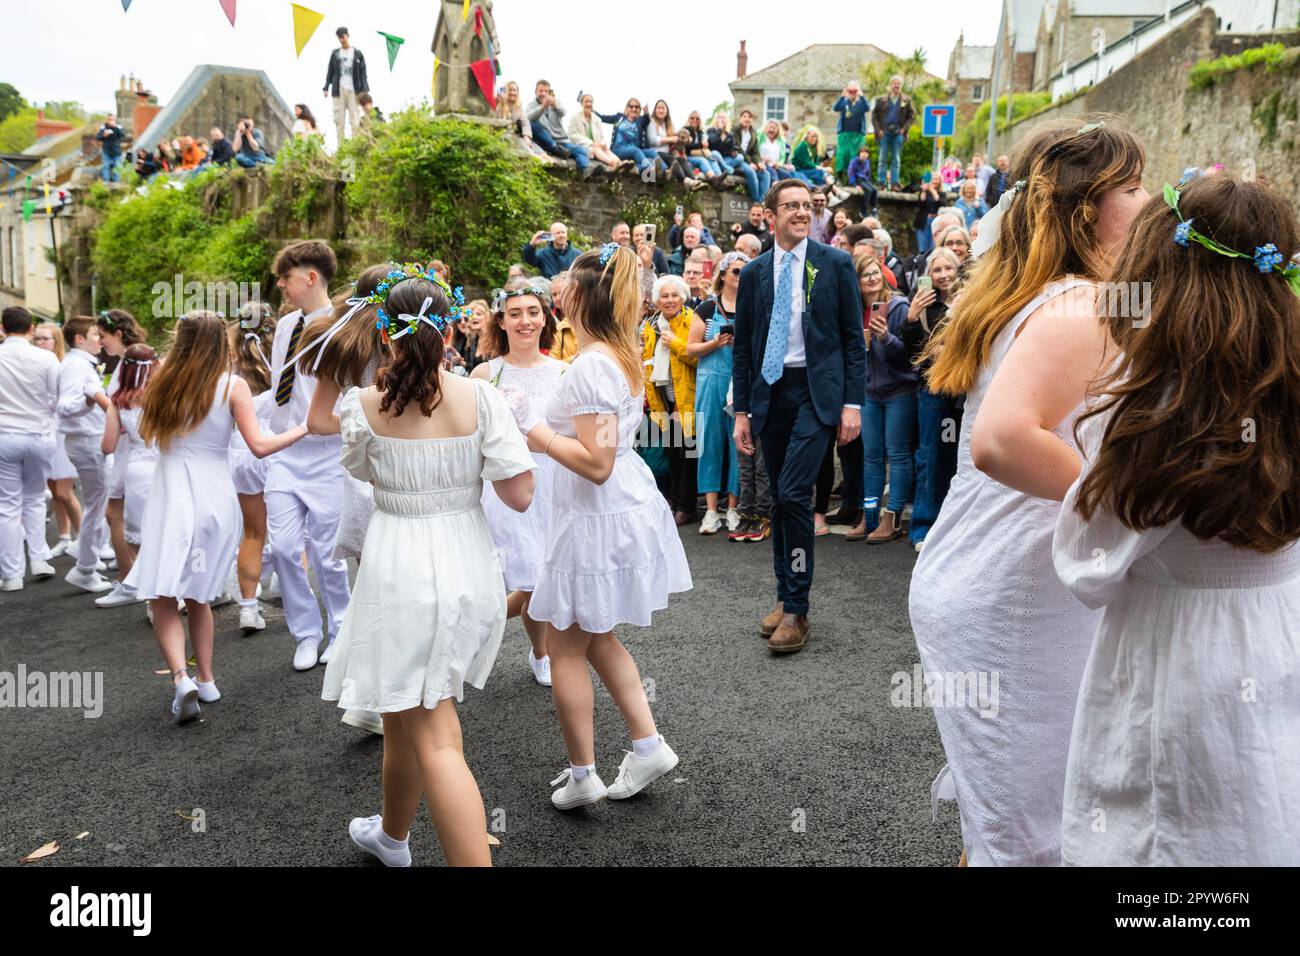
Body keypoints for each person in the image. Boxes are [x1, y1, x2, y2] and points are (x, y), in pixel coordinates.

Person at [909, 119, 1148, 867]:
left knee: (1005, 825)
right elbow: (1005, 441)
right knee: (1033, 838)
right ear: (1087, 207)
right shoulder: (1078, 306)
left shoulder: (1038, 293)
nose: (1151, 200)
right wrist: (1142, 505)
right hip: (1022, 595)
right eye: (1134, 186)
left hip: (988, 576)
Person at [1054, 172, 1300, 866]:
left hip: (1185, 654)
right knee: (1269, 807)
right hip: (1283, 629)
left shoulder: (1149, 411)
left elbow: (1086, 566)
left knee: (1172, 831)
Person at [320, 270, 534, 866]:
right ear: (450, 334)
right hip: (466, 563)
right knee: (400, 710)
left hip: (398, 567)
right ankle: (391, 837)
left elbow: (363, 474)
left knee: (436, 736)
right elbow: (520, 495)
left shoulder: (362, 406)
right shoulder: (482, 397)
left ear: (385, 334)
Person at [507, 243, 690, 809]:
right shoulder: (616, 350)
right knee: (597, 636)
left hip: (596, 511)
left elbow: (596, 460)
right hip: (609, 506)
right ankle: (646, 743)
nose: (555, 295)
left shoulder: (591, 364)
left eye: (563, 287)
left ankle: (584, 774)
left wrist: (531, 426)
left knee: (564, 645)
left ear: (583, 297)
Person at [129, 312, 307, 723]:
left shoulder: (161, 381)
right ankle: (207, 679)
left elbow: (145, 435)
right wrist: (303, 430)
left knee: (162, 594)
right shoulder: (233, 386)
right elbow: (260, 446)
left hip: (171, 491)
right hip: (214, 495)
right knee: (199, 595)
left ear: (180, 341)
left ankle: (180, 677)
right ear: (219, 343)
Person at [732, 180, 866, 654]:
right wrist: (742, 410)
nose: (800, 213)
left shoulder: (835, 263)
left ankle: (797, 608)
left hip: (817, 392)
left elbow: (853, 339)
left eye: (806, 207)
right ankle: (784, 593)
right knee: (779, 503)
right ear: (770, 216)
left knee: (791, 492)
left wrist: (853, 404)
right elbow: (744, 348)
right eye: (790, 206)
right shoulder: (752, 273)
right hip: (770, 393)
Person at [472, 279, 566, 686]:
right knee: (526, 577)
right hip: (508, 488)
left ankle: (542, 652)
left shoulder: (565, 371)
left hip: (557, 483)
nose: (525, 321)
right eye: (515, 314)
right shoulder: (485, 374)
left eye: (533, 312)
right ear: (502, 321)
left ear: (545, 318)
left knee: (548, 577)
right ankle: (526, 644)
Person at [266, 240, 352, 671]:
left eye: (287, 277)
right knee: (282, 547)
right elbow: (280, 391)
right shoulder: (285, 326)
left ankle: (340, 629)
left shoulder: (341, 327)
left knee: (327, 553)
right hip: (285, 449)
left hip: (326, 452)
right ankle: (305, 632)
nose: (281, 284)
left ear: (311, 277)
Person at [845, 254, 916, 543]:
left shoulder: (898, 306)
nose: (872, 278)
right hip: (868, 393)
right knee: (871, 457)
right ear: (857, 282)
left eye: (876, 272)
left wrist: (885, 337)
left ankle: (893, 517)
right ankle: (870, 516)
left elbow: (909, 355)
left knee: (897, 454)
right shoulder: (852, 310)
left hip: (899, 390)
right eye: (866, 275)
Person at [901, 247, 961, 550]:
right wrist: (911, 319)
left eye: (948, 268)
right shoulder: (925, 305)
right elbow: (911, 353)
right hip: (934, 390)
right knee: (931, 456)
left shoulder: (970, 299)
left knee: (959, 459)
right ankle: (923, 527)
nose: (944, 275)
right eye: (937, 270)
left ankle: (954, 529)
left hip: (963, 390)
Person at [0, 306, 60, 592]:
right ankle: (39, 557)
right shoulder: (46, 357)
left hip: (4, 435)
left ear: (2, 328)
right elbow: (56, 397)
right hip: (39, 433)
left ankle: (12, 575)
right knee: (35, 497)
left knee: (7, 506)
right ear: (31, 328)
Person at [227, 303, 277, 635]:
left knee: (253, 533)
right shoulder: (283, 357)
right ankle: (287, 588)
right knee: (293, 532)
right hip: (279, 447)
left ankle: (247, 606)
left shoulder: (230, 366)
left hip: (242, 452)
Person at [688, 250, 747, 536]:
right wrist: (716, 343)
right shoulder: (707, 308)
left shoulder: (751, 306)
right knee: (710, 442)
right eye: (736, 271)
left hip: (740, 379)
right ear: (723, 274)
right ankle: (711, 511)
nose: (741, 276)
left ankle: (733, 508)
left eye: (744, 272)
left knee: (738, 444)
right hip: (711, 379)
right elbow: (691, 348)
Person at [94, 309, 147, 609]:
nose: (101, 343)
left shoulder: (128, 366)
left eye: (103, 336)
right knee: (119, 515)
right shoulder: (142, 363)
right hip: (136, 451)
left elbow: (115, 424)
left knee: (117, 515)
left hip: (131, 453)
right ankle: (134, 578)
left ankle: (130, 580)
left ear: (117, 333)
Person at [56, 317, 114, 594]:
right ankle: (85, 565)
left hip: (91, 441)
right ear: (80, 339)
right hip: (87, 442)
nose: (100, 339)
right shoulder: (75, 366)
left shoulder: (81, 364)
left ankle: (87, 552)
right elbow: (65, 406)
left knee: (99, 503)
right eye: (94, 334)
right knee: (97, 505)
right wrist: (90, 399)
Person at [100, 344, 159, 593]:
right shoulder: (165, 396)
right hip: (166, 466)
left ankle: (151, 593)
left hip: (138, 468)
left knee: (139, 536)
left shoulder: (118, 402)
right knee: (167, 528)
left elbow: (107, 446)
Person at [642, 274, 699, 525]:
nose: (670, 300)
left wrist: (675, 344)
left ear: (683, 296)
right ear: (657, 300)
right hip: (661, 399)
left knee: (687, 454)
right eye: (664, 296)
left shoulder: (691, 320)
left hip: (687, 398)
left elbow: (697, 358)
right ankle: (674, 502)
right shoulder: (651, 325)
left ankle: (687, 506)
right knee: (671, 453)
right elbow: (647, 360)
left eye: (674, 295)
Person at [32, 323, 81, 558]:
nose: (40, 343)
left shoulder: (62, 367)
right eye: (37, 339)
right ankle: (64, 536)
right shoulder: (36, 365)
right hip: (43, 431)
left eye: (45, 339)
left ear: (57, 341)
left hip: (61, 433)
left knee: (64, 492)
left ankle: (84, 539)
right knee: (53, 488)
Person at [527, 80, 592, 178]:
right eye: (541, 91)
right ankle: (556, 150)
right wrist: (542, 107)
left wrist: (555, 105)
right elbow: (528, 118)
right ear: (536, 92)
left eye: (546, 91)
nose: (543, 94)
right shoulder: (531, 106)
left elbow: (563, 112)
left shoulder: (555, 102)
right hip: (546, 140)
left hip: (562, 141)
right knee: (534, 123)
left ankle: (584, 173)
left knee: (581, 150)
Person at [323, 26, 369, 143]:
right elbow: (330, 71)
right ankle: (341, 146)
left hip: (354, 90)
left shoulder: (358, 54)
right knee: (339, 120)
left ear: (347, 36)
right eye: (339, 38)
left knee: (355, 119)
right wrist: (326, 87)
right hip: (338, 90)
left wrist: (364, 90)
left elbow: (363, 73)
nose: (342, 40)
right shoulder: (335, 54)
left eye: (343, 37)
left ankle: (355, 144)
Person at [711, 110, 768, 204]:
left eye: (749, 117)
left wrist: (758, 162)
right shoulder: (734, 130)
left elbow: (755, 151)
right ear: (740, 118)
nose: (747, 119)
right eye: (744, 116)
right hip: (740, 161)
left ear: (752, 120)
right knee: (750, 171)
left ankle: (762, 202)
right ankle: (756, 201)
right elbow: (739, 148)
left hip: (746, 160)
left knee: (765, 174)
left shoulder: (753, 133)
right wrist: (750, 163)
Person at [596, 98, 660, 177]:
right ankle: (649, 168)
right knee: (635, 151)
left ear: (639, 109)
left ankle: (665, 171)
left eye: (636, 107)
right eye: (631, 106)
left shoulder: (640, 120)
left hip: (635, 151)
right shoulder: (620, 118)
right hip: (618, 150)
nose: (634, 109)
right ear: (627, 107)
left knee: (652, 152)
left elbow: (646, 120)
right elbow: (602, 118)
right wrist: (591, 109)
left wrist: (646, 112)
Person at [567, 94, 629, 173]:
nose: (589, 104)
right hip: (583, 147)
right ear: (581, 103)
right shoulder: (575, 118)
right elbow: (573, 136)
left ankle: (620, 163)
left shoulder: (597, 119)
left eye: (590, 102)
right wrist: (592, 143)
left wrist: (602, 143)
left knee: (605, 149)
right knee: (596, 149)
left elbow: (601, 136)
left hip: (596, 147)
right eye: (586, 101)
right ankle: (612, 164)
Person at [871, 76, 914, 189]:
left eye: (899, 84)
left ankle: (895, 183)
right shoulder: (881, 100)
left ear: (901, 86)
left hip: (898, 133)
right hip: (884, 132)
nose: (896, 86)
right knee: (882, 159)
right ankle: (881, 182)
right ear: (890, 85)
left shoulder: (906, 100)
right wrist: (878, 130)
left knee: (896, 159)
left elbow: (912, 116)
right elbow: (874, 116)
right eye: (894, 83)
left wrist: (904, 129)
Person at [832, 82, 870, 179]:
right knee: (842, 155)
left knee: (855, 156)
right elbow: (835, 108)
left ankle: (855, 177)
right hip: (844, 133)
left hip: (858, 134)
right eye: (850, 91)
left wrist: (862, 96)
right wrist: (841, 96)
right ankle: (839, 177)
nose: (853, 93)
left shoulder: (861, 102)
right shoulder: (844, 102)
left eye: (855, 91)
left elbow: (867, 108)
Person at [96, 114, 123, 183]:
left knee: (117, 166)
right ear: (107, 120)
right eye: (109, 119)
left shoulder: (118, 127)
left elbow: (122, 135)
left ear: (115, 120)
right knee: (106, 166)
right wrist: (104, 135)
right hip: (106, 151)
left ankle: (116, 182)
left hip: (116, 151)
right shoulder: (103, 127)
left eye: (112, 119)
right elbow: (98, 137)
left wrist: (115, 127)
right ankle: (106, 182)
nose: (111, 121)